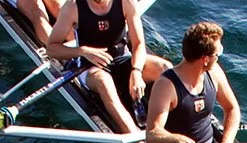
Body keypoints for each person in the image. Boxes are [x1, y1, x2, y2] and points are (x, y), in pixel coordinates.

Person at [45, 0, 170, 135]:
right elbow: (52, 48)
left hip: (123, 58)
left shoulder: (126, 2)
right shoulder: (73, 7)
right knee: (104, 82)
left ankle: (172, 125)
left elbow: (139, 44)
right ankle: (140, 142)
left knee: (165, 68)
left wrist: (136, 71)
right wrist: (83, 51)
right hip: (91, 67)